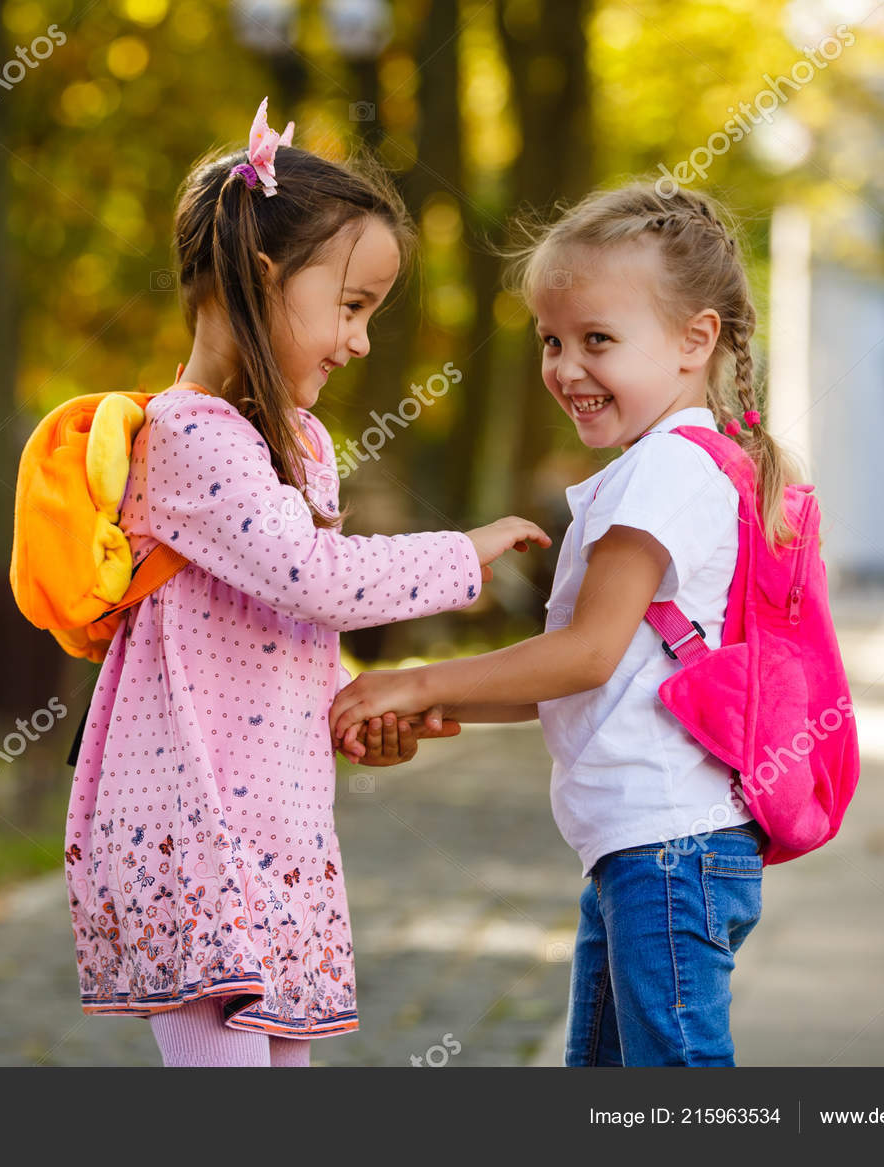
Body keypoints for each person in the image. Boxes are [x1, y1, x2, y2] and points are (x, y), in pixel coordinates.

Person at [64, 98, 550, 1067]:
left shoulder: (293, 440)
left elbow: (272, 630)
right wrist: (463, 551)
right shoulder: (188, 433)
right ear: (260, 278)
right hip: (193, 823)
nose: (361, 340)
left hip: (273, 824)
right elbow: (307, 576)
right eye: (352, 305)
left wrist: (345, 706)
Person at [328, 182, 808, 1066]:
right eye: (553, 341)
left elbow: (584, 656)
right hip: (645, 849)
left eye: (598, 340)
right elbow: (601, 673)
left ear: (694, 341)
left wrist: (419, 679)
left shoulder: (667, 473)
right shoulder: (670, 466)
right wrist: (447, 707)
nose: (565, 367)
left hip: (667, 849)